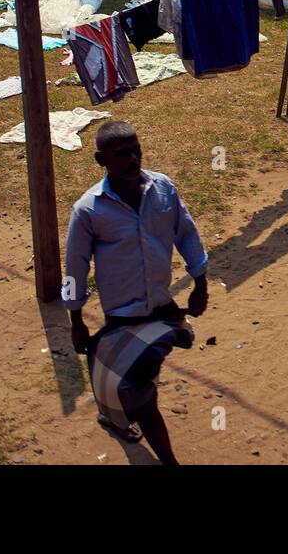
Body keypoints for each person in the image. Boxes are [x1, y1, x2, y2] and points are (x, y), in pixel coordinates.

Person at [64, 121, 209, 464]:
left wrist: (200, 283)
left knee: (133, 384)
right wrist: (76, 320)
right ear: (101, 160)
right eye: (122, 153)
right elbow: (75, 267)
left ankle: (115, 416)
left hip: (160, 308)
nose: (133, 158)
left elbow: (186, 233)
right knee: (141, 395)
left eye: (136, 150)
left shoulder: (163, 189)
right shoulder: (88, 210)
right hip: (122, 316)